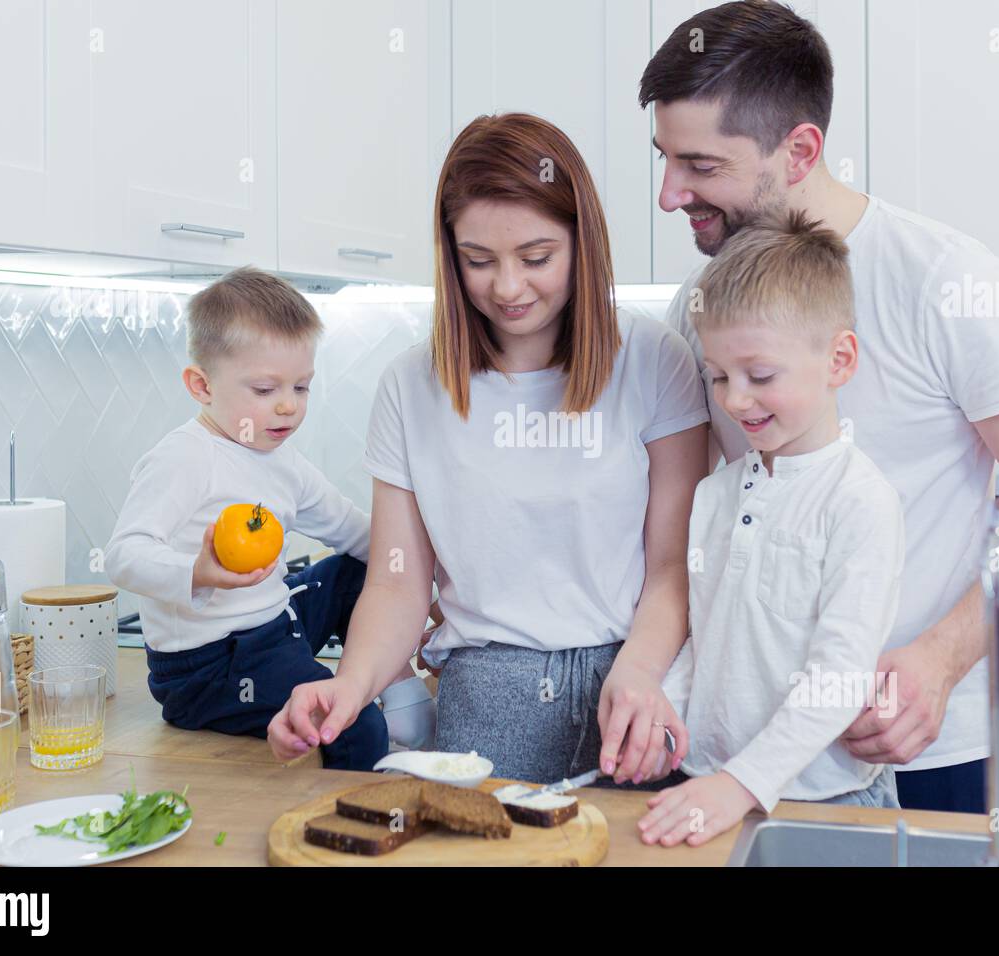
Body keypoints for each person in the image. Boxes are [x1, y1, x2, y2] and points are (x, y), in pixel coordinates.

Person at [640, 0, 999, 811]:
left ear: (800, 150)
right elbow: (707, 533)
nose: (668, 193)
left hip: (925, 741)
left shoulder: (945, 283)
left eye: (701, 165)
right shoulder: (701, 307)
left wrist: (938, 659)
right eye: (664, 158)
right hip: (752, 756)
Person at [267, 113, 709, 785]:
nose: (507, 287)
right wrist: (350, 685)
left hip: (634, 694)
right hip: (484, 701)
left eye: (536, 258)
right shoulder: (412, 386)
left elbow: (672, 568)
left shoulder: (654, 362)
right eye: (479, 261)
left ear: (581, 244)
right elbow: (396, 581)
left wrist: (642, 678)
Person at [640, 213, 904, 847]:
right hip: (705, 787)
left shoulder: (860, 502)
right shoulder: (716, 493)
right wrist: (665, 714)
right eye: (719, 376)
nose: (733, 400)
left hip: (828, 799)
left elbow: (839, 676)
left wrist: (740, 784)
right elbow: (704, 639)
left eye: (760, 377)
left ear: (839, 360)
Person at [105, 266, 433, 770]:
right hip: (210, 666)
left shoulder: (279, 459)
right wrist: (196, 572)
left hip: (278, 625)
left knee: (363, 569)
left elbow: (355, 531)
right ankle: (361, 805)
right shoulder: (184, 460)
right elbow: (124, 556)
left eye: (302, 387)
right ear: (201, 385)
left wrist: (431, 585)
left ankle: (405, 697)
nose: (288, 406)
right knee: (357, 725)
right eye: (264, 390)